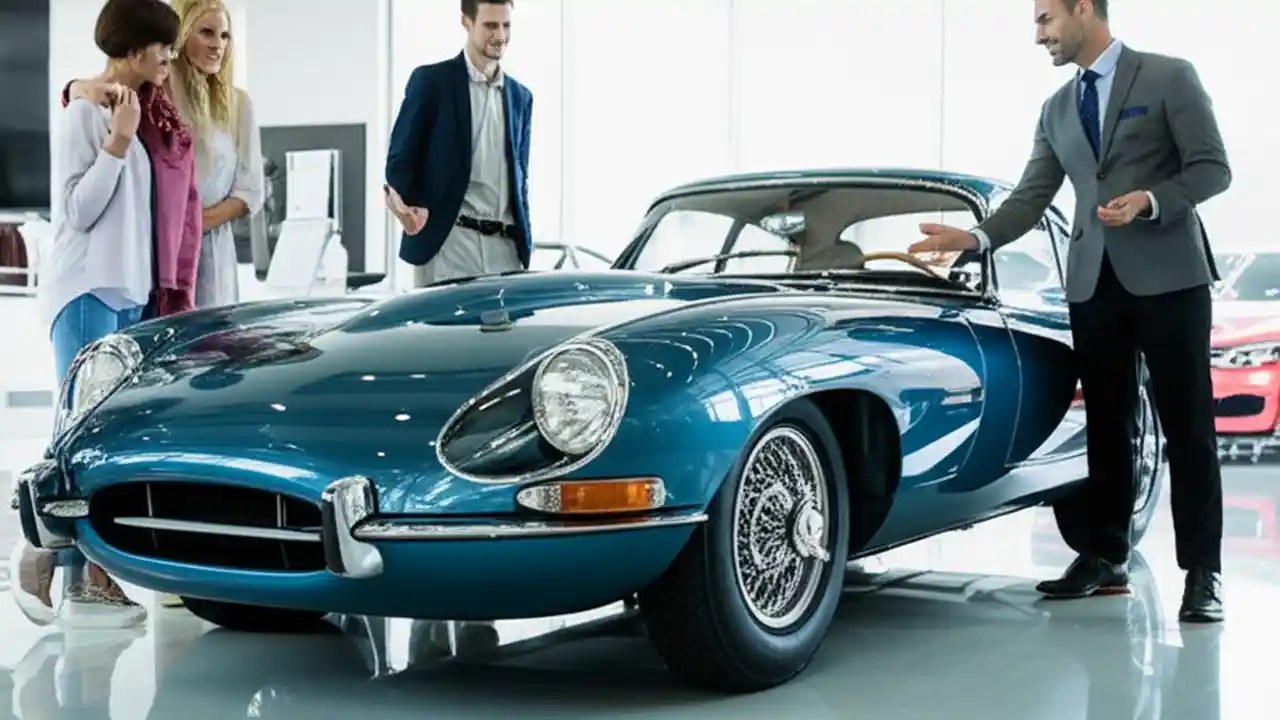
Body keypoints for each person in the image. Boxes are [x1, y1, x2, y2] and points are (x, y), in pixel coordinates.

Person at [908, 0, 1229, 622]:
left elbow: (1212, 169)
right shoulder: (1056, 108)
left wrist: (1151, 200)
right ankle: (1106, 557)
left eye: (1046, 19)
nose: (1039, 35)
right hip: (1092, 284)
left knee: (1187, 427)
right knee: (1107, 426)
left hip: (1170, 280)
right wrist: (974, 239)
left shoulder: (1169, 75)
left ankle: (1203, 573)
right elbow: (1031, 197)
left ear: (1085, 9)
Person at [20, 0, 194, 629]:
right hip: (85, 292)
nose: (169, 59)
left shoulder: (128, 110)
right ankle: (50, 560)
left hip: (121, 295)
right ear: (134, 47)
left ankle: (76, 571)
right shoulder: (85, 119)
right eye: (163, 48)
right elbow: (78, 212)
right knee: (76, 437)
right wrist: (117, 144)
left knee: (101, 440)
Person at [66, 0, 265, 309]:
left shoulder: (239, 104)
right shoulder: (156, 91)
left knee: (212, 345)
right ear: (181, 37)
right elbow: (105, 84)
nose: (218, 45)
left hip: (210, 250)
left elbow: (250, 191)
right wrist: (75, 87)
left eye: (224, 36)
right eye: (207, 33)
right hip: (154, 250)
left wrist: (187, 227)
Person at [384, 0, 534, 288]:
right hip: (449, 245)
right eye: (490, 25)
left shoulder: (520, 98)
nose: (500, 35)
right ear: (466, 22)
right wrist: (410, 207)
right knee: (447, 333)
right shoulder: (432, 82)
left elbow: (520, 178)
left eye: (506, 25)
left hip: (506, 252)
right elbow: (400, 160)